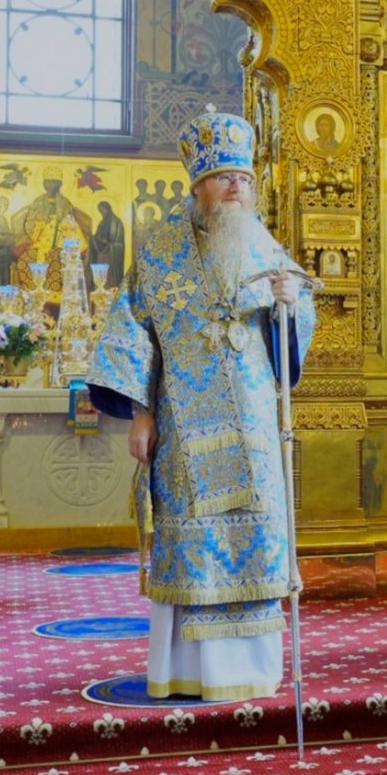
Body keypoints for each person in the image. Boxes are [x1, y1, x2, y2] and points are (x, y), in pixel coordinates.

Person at [86, 108, 315, 702]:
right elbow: (132, 332)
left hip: (252, 423)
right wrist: (140, 413)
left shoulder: (264, 245)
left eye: (243, 178)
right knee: (191, 536)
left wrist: (290, 304)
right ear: (198, 186)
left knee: (254, 532)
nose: (236, 187)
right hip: (183, 424)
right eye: (223, 178)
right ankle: (187, 668)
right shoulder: (160, 252)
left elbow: (293, 331)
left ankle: (250, 669)